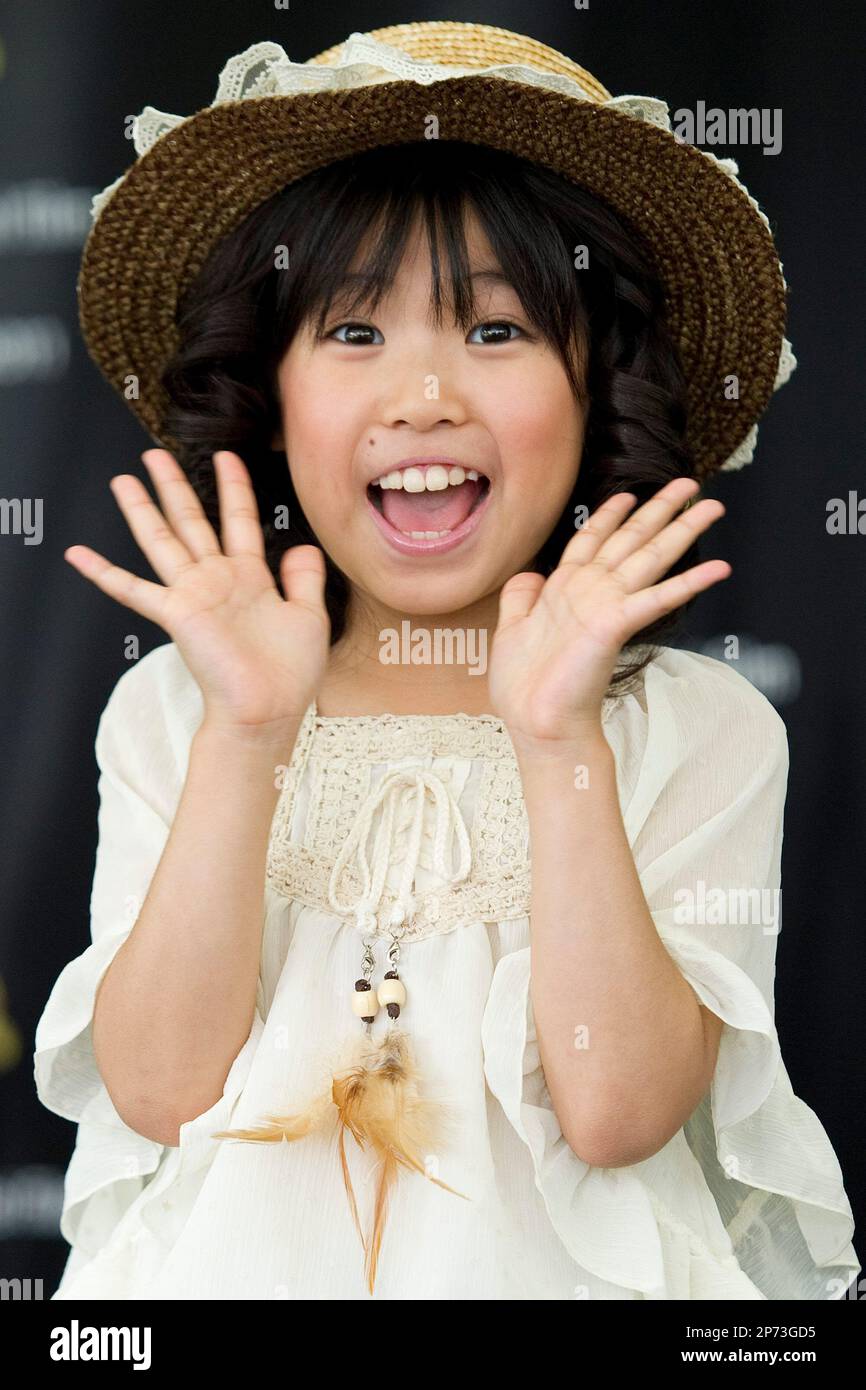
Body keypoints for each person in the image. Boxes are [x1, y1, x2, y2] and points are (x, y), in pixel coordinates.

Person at [34, 22, 859, 1300]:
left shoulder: (697, 725)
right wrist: (245, 739)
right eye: (354, 335)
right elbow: (155, 1091)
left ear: (599, 391)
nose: (423, 395)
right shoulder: (175, 708)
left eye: (496, 331)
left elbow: (618, 1110)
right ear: (270, 393)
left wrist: (557, 740)